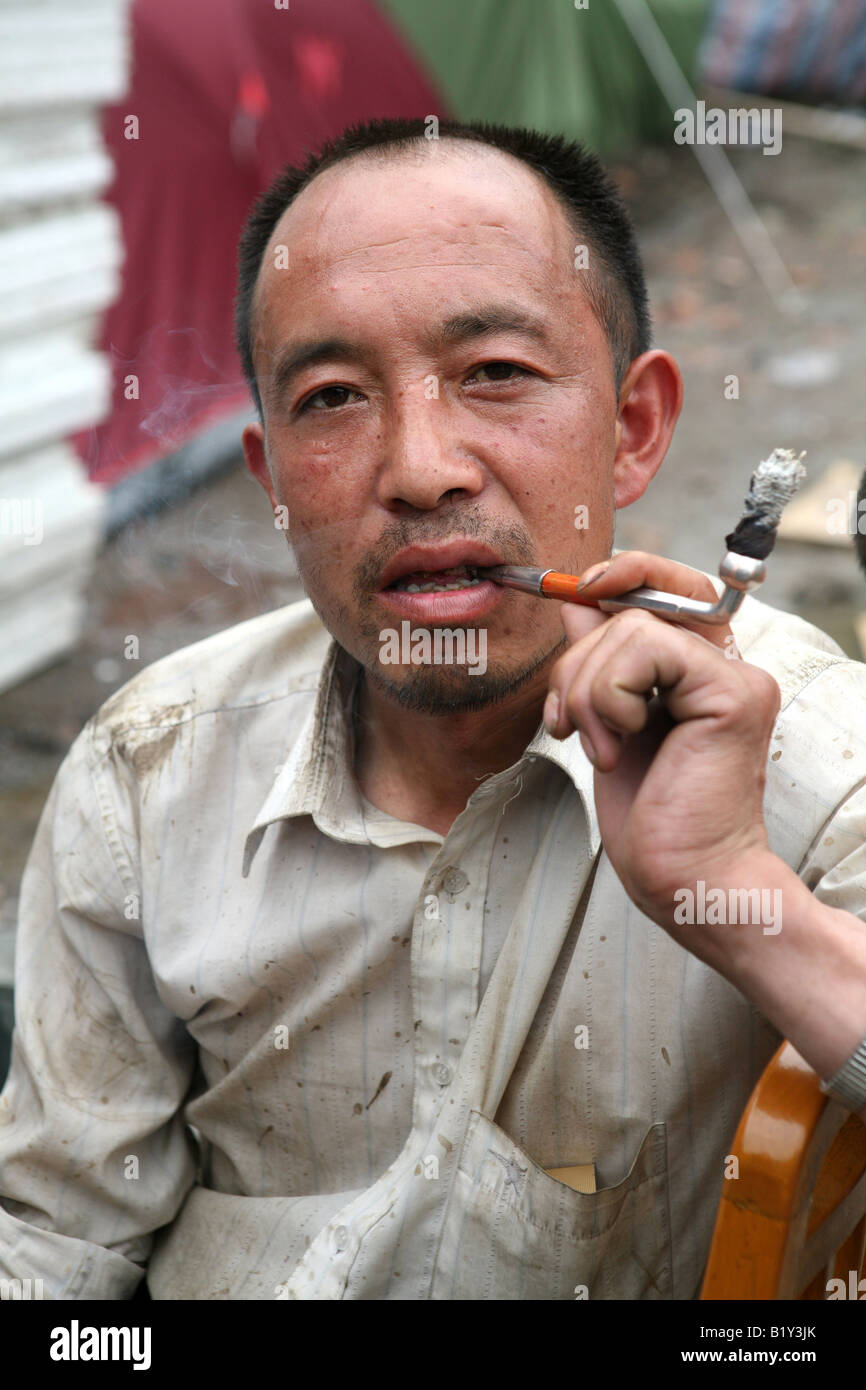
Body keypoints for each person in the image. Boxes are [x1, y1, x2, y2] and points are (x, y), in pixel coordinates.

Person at [1, 117, 865, 1301]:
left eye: (495, 374)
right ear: (271, 481)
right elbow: (56, 1253)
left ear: (632, 430)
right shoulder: (150, 774)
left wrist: (735, 889)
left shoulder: (816, 757)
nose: (416, 467)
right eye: (333, 395)